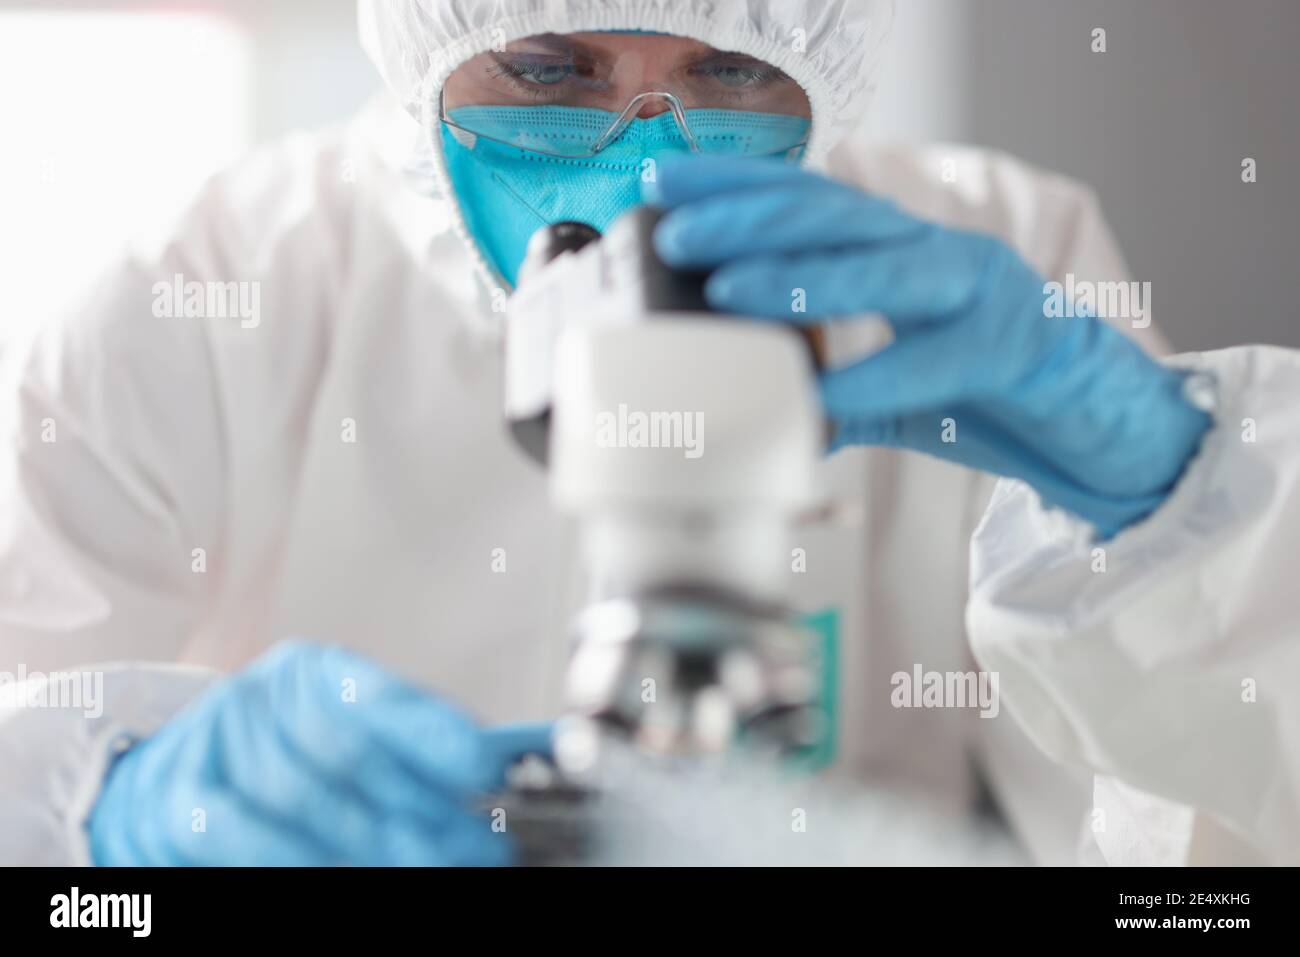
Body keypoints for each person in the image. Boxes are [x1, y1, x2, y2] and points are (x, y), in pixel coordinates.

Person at [0, 0, 1287, 866]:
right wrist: (105, 824)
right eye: (552, 74)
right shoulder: (208, 294)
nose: (645, 160)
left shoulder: (996, 269)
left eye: (728, 73)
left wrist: (1182, 521)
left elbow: (1193, 866)